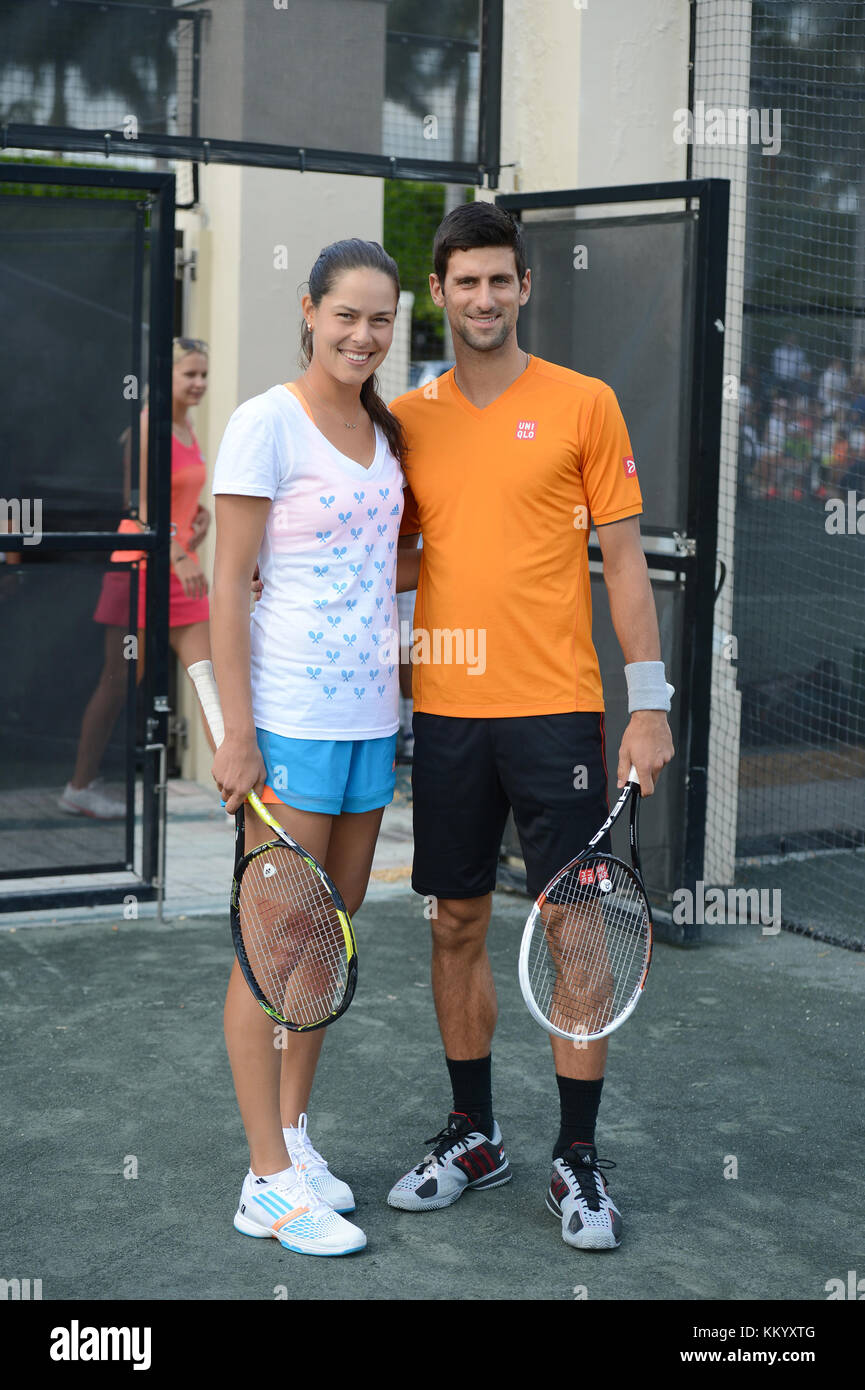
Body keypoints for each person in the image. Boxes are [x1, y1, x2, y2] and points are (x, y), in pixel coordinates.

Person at [385, 202, 674, 1251]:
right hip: (448, 709)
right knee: (453, 923)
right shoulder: (407, 418)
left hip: (558, 712)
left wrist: (651, 702)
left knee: (573, 930)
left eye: (500, 279)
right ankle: (474, 1133)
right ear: (440, 291)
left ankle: (576, 1155)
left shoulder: (585, 404)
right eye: (465, 282)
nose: (484, 298)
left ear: (524, 285)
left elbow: (626, 561)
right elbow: (403, 555)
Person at [209, 239, 420, 1258]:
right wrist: (237, 734)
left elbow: (390, 556)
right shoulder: (264, 423)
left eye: (381, 320)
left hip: (370, 722)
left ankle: (293, 1137)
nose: (363, 335)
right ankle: (263, 1181)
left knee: (326, 946)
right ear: (309, 310)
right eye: (346, 315)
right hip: (285, 723)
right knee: (274, 947)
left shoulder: (384, 428)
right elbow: (227, 582)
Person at [60, 338, 214, 818]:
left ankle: (242, 797)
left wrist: (199, 517)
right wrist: (179, 554)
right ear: (165, 378)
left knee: (211, 681)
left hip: (178, 569)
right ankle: (78, 788)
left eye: (204, 375)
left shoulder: (187, 425)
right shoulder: (149, 426)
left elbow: (176, 498)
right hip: (142, 567)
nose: (200, 383)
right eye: (190, 374)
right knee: (119, 682)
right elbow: (144, 508)